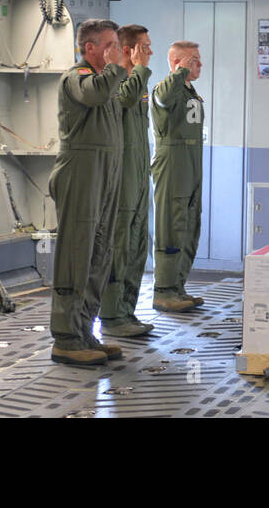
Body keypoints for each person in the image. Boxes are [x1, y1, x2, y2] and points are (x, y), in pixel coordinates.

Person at [48, 19, 127, 366]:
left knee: (99, 253)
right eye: (110, 45)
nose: (118, 52)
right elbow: (93, 94)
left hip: (105, 173)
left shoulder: (107, 81)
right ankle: (65, 338)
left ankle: (84, 332)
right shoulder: (77, 78)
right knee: (76, 254)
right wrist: (115, 68)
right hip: (81, 172)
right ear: (90, 48)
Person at [99, 24, 155, 338]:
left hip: (138, 177)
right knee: (119, 247)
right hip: (120, 180)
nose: (150, 52)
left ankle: (127, 311)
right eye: (145, 47)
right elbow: (123, 101)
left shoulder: (139, 82)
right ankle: (111, 315)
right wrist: (140, 69)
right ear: (129, 50)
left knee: (137, 246)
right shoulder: (116, 81)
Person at [150, 41, 205, 313]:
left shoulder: (189, 91)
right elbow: (163, 99)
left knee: (190, 225)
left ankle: (178, 287)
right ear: (178, 63)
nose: (200, 65)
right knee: (171, 225)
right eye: (194, 60)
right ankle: (163, 291)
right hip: (173, 162)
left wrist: (184, 75)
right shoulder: (166, 87)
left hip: (192, 162)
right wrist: (179, 73)